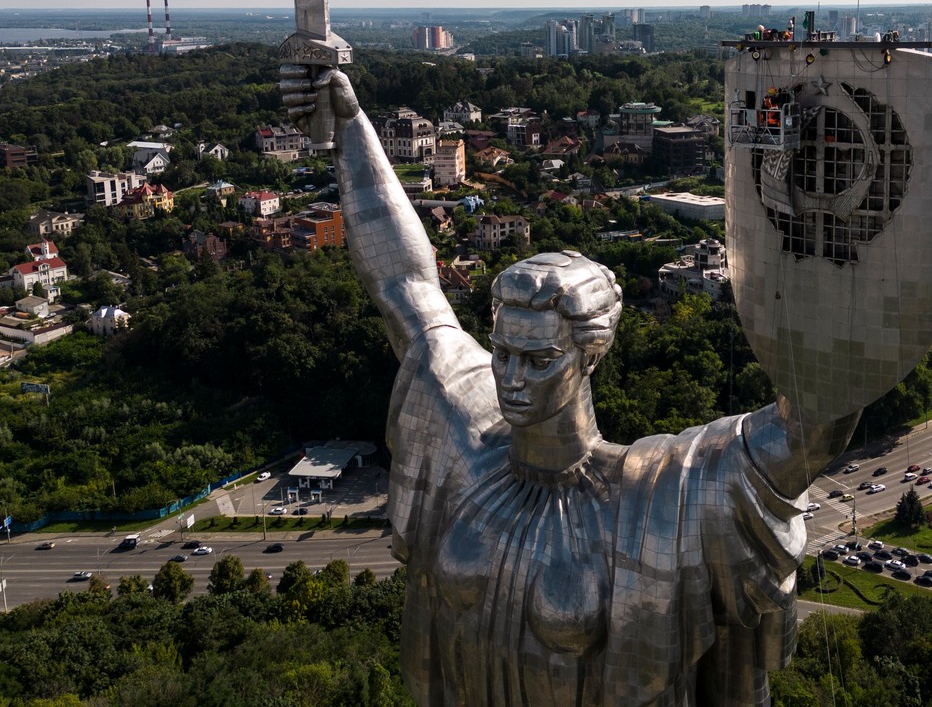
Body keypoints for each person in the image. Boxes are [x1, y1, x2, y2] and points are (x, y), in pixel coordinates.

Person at [280, 66, 845, 706]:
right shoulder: (466, 442)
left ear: (588, 358)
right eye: (503, 353)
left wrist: (835, 242)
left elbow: (811, 428)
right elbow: (404, 285)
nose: (511, 379)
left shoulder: (658, 498)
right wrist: (350, 124)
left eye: (539, 359)